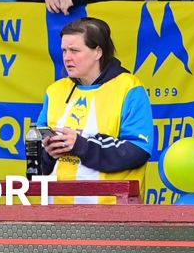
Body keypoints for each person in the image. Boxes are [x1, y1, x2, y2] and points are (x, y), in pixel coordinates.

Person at [38, 17, 153, 205]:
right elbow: (35, 163)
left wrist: (81, 146)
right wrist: (49, 153)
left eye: (74, 51)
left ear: (98, 52)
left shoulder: (129, 87)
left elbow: (138, 151)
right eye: (64, 50)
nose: (67, 57)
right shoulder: (55, 91)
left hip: (111, 212)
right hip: (56, 210)